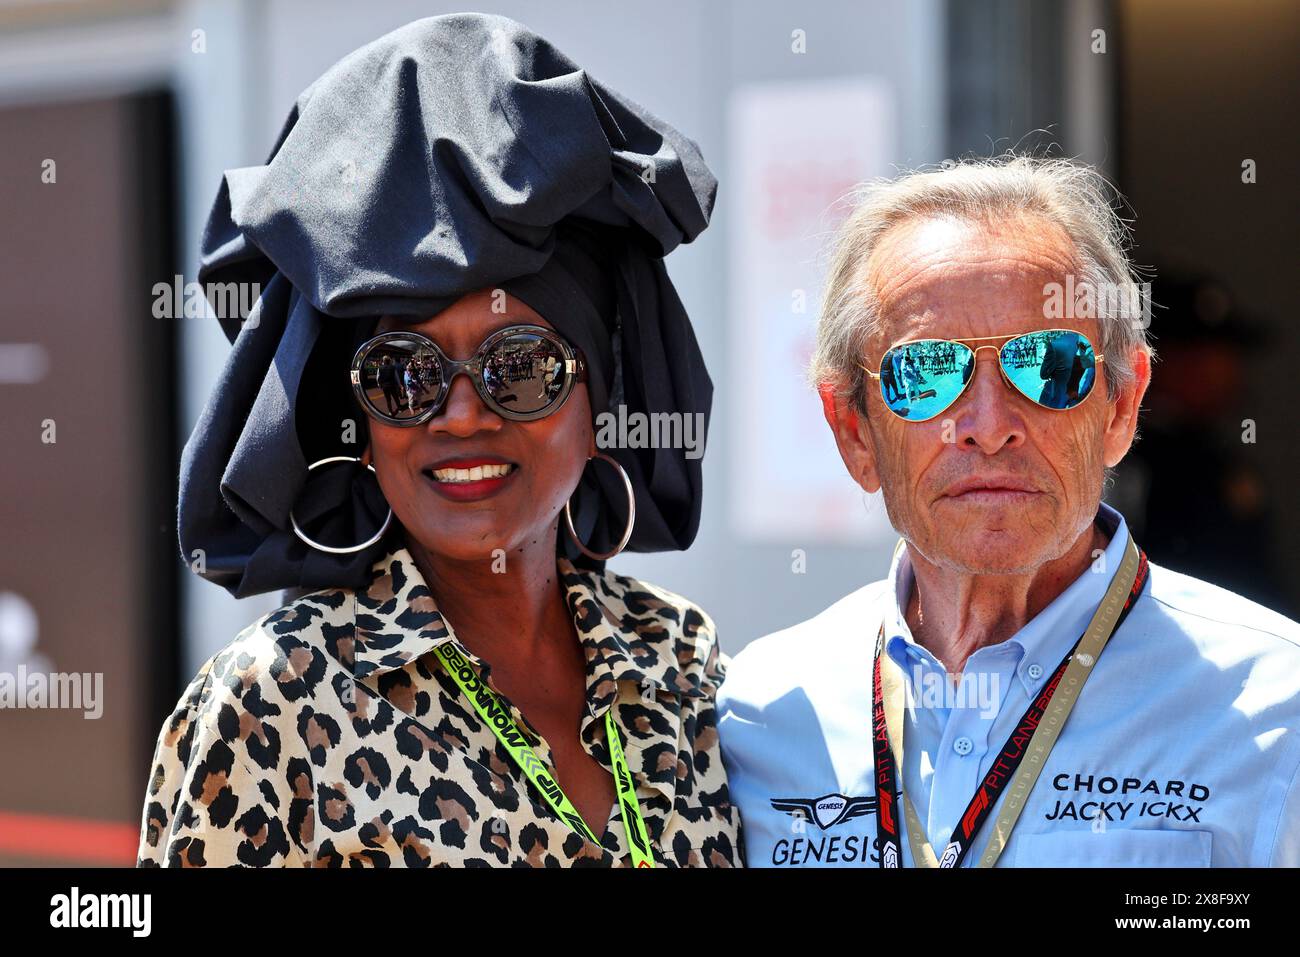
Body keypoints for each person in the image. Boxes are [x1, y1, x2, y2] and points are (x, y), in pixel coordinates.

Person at [137, 14, 740, 868]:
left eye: (519, 365)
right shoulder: (274, 703)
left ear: (598, 396)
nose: (459, 416)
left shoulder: (682, 661)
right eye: (402, 372)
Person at [717, 154, 1300, 867]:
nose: (989, 424)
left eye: (1048, 365)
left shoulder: (1281, 708)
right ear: (854, 431)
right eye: (926, 370)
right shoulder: (756, 711)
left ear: (1120, 406)